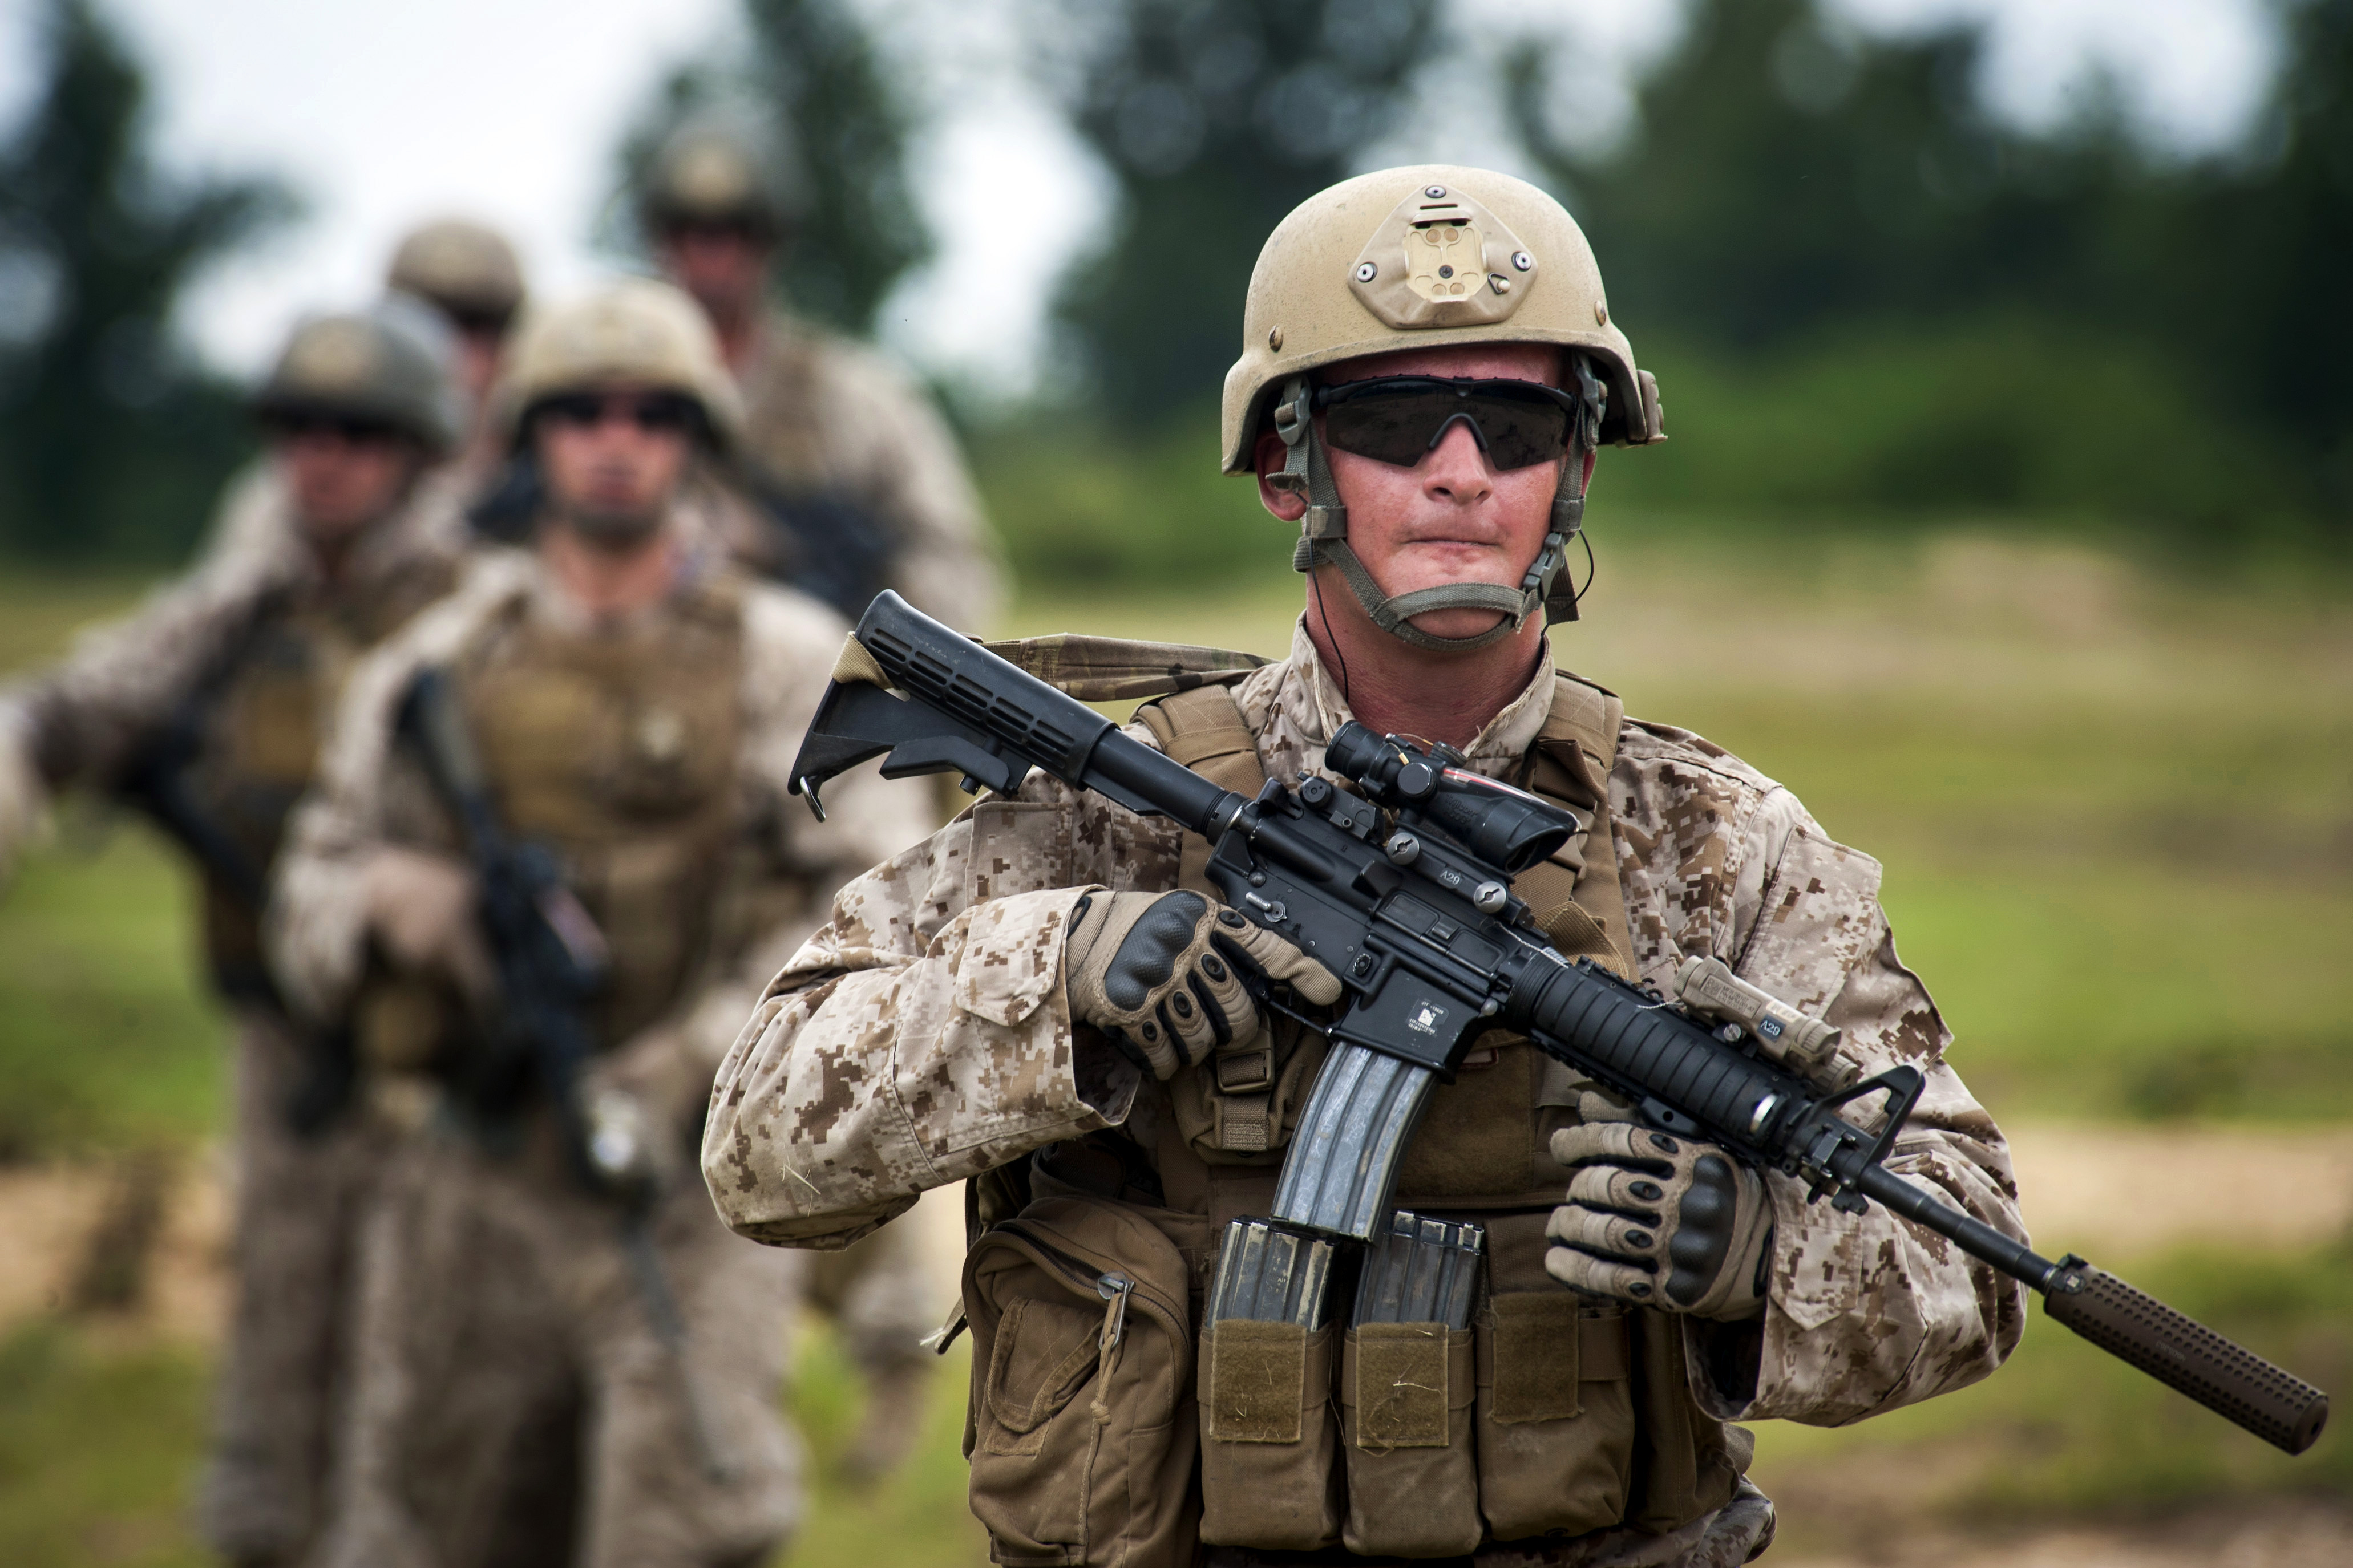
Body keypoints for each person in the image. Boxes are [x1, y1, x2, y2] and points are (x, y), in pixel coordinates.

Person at [698, 167, 2030, 1567]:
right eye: (1395, 423)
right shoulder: (1104, 817)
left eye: (1516, 426)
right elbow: (757, 1150)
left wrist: (1763, 1255)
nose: (1461, 471)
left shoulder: (1711, 842)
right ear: (1291, 469)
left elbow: (1972, 1254)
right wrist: (1053, 983)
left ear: (1576, 470)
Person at [268, 278, 931, 1568]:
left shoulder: (787, 657)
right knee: (428, 1527)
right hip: (476, 1179)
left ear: (696, 438)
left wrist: (695, 1052)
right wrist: (395, 904)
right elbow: (309, 898)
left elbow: (881, 901)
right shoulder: (436, 668)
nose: (616, 440)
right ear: (532, 436)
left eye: (650, 413)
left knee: (682, 1525)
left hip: (692, 1185)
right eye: (581, 411)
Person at [0, 303, 468, 1568]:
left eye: (356, 433)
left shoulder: (472, 604)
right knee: (275, 1341)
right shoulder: (245, 598)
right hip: (283, 1037)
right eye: (298, 429)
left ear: (415, 450)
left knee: (411, 1373)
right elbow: (86, 700)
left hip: (436, 1057)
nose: (322, 458)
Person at [640, 114, 1003, 633]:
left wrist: (784, 561)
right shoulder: (605, 404)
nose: (711, 254)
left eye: (735, 230)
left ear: (770, 240)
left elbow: (956, 570)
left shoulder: (858, 397)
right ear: (660, 240)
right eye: (688, 230)